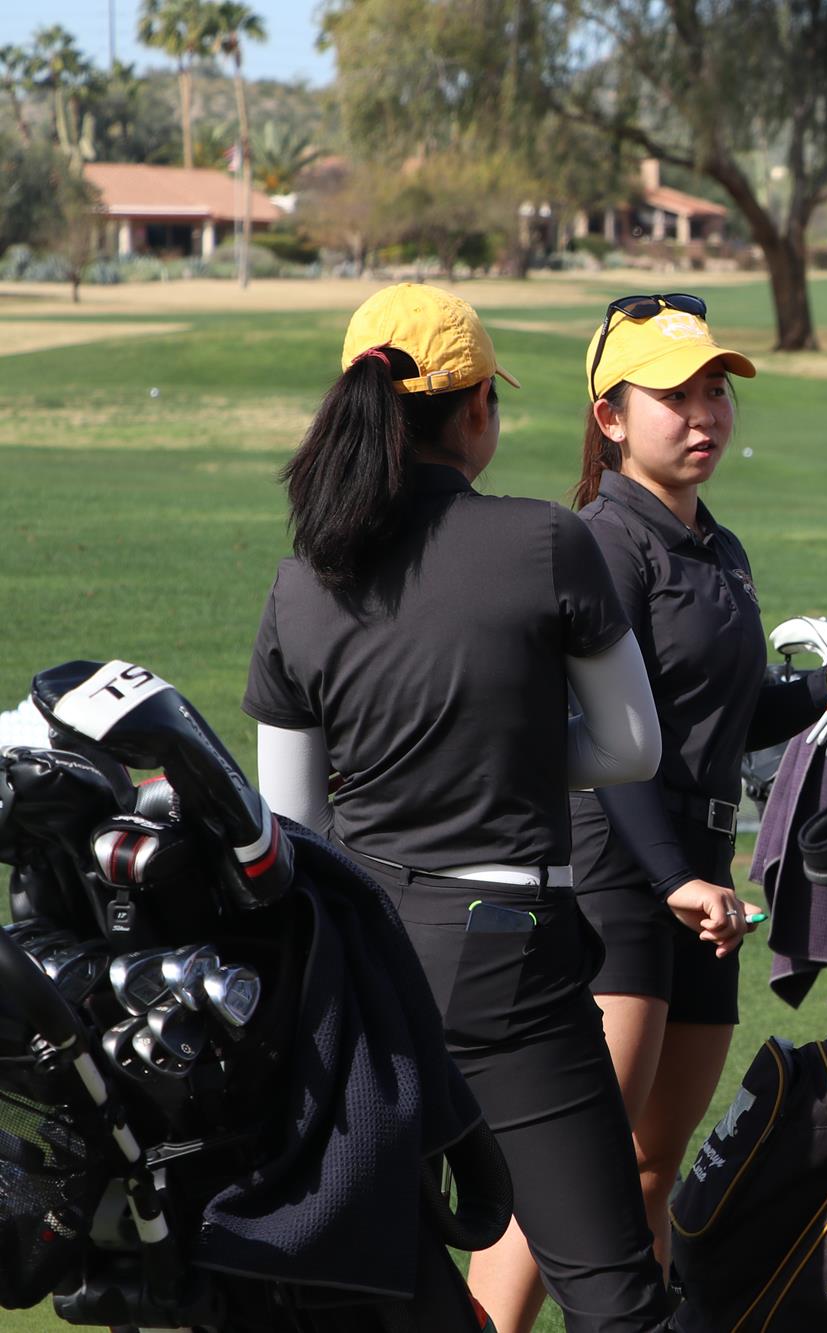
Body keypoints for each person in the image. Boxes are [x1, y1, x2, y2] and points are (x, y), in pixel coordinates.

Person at [245, 283, 702, 1333]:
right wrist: (512, 764)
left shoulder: (302, 576)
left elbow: (295, 826)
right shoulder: (547, 542)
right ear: (475, 412)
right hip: (512, 957)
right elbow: (631, 744)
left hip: (363, 969)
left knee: (391, 1282)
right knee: (612, 1289)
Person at [467, 292, 827, 1327]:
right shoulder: (600, 545)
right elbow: (605, 744)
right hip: (619, 874)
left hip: (697, 870)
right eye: (675, 396)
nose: (704, 413)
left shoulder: (716, 545)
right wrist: (671, 878)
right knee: (579, 1166)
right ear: (610, 417)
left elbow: (729, 709)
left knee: (651, 1164)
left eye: (715, 390)